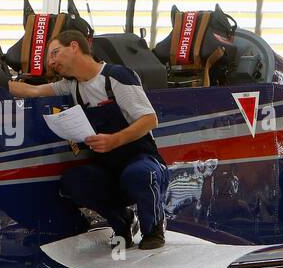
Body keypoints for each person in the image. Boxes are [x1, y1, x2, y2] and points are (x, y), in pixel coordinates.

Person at [9, 30, 168, 250]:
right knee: (74, 181)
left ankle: (154, 229)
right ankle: (122, 222)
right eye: (49, 58)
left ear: (74, 46)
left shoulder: (116, 77)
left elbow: (150, 120)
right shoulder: (70, 85)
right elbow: (33, 91)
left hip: (141, 159)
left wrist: (114, 140)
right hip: (107, 166)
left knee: (139, 174)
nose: (52, 62)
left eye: (55, 53)